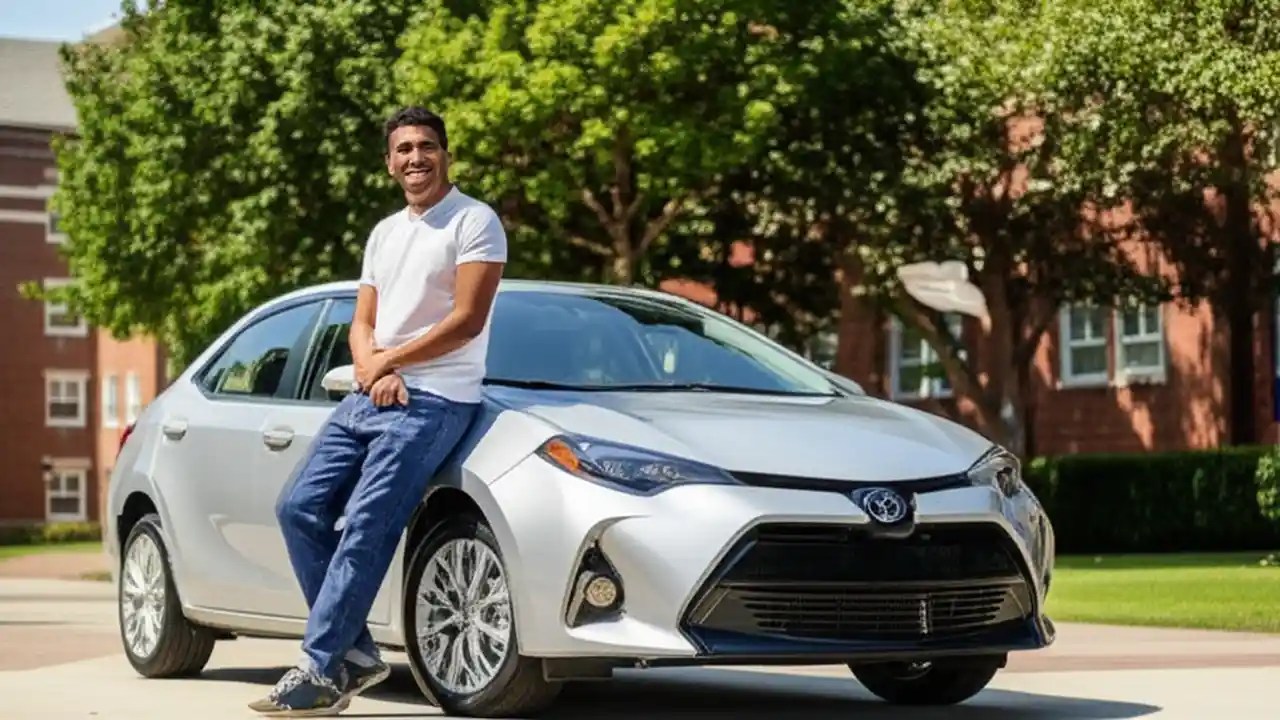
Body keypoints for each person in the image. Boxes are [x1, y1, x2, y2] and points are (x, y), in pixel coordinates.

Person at [250, 106, 507, 716]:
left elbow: (466, 322)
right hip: (373, 392)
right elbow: (361, 321)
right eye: (403, 149)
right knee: (299, 509)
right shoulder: (385, 232)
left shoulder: (474, 222)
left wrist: (391, 363)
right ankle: (358, 654)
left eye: (426, 146)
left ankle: (318, 668)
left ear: (446, 153)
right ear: (388, 162)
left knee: (368, 523)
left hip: (438, 399)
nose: (415, 158)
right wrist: (372, 366)